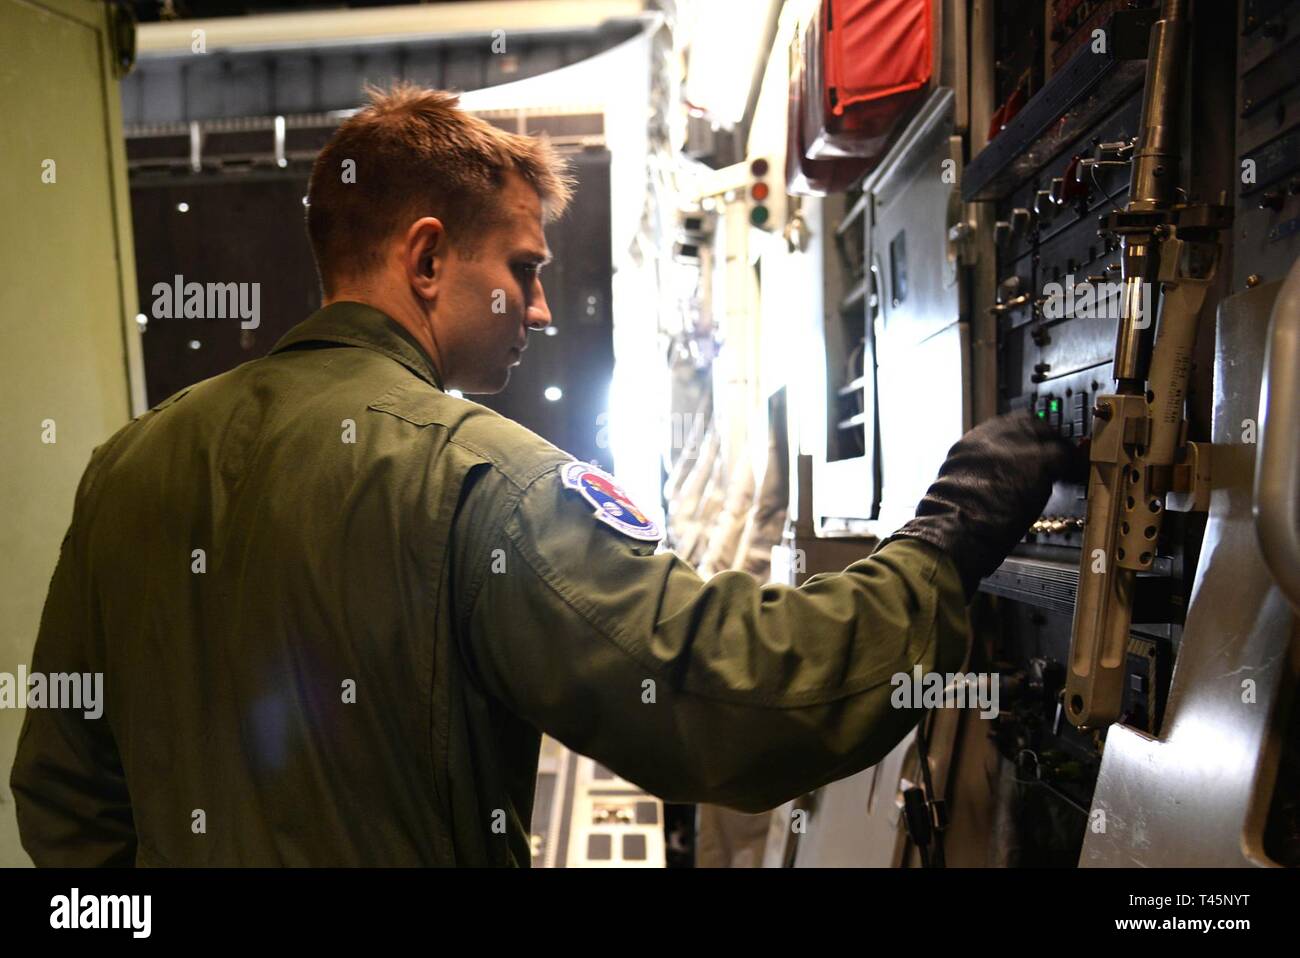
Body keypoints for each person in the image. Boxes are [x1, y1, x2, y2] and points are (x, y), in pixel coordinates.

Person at [10, 85, 1077, 866]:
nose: (540, 309)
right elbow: (735, 701)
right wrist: (942, 545)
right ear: (427, 259)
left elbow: (65, 802)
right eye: (520, 269)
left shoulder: (124, 471)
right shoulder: (481, 481)